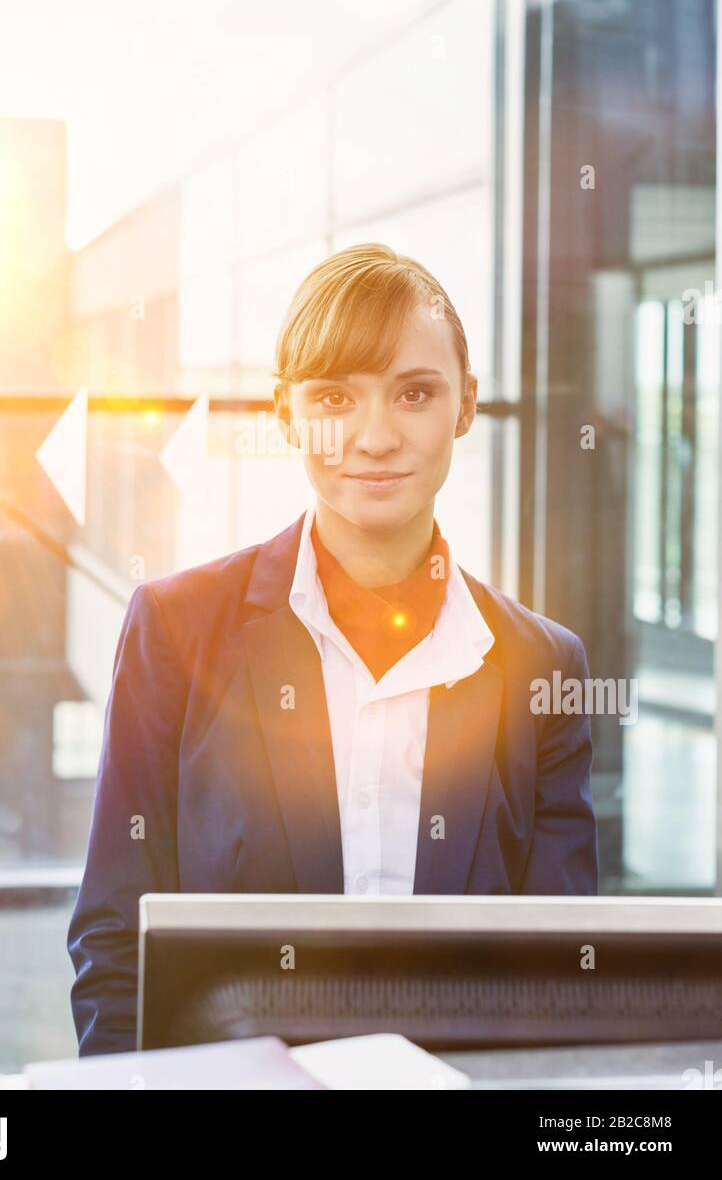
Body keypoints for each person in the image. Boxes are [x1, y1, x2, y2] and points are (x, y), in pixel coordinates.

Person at [68, 242, 599, 1057]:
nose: (374, 436)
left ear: (465, 405)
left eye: (414, 394)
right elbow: (115, 938)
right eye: (334, 398)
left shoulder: (543, 668)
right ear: (286, 415)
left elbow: (563, 975)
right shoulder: (175, 629)